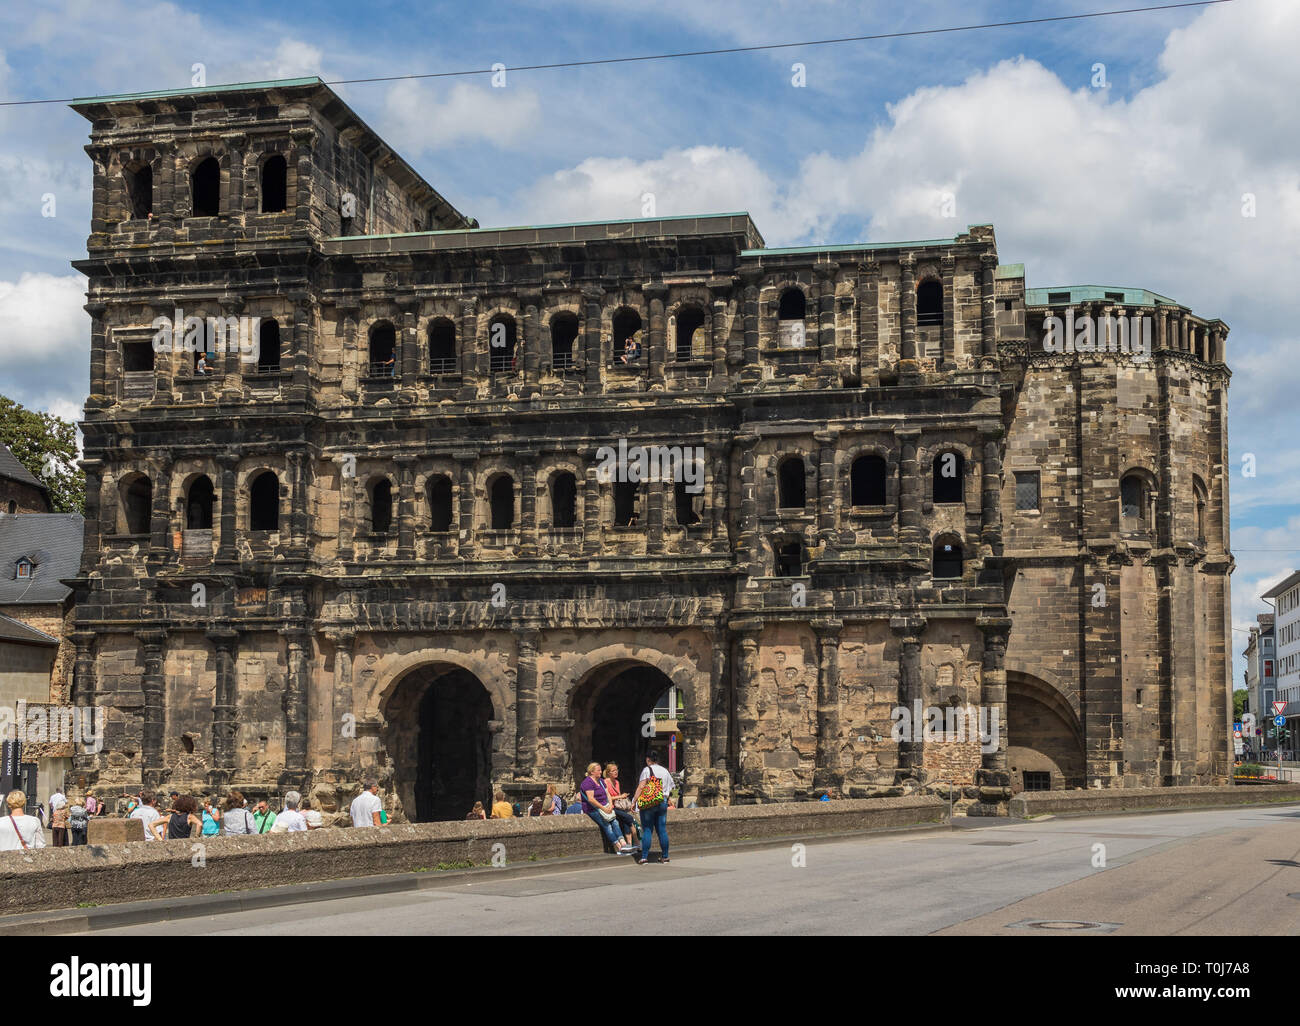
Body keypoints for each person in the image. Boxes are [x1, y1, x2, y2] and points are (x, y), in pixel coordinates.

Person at [580, 762, 634, 854]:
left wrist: (609, 805)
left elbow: (607, 793)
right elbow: (591, 799)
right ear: (592, 772)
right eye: (598, 770)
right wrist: (603, 808)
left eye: (600, 770)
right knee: (607, 825)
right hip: (594, 809)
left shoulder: (600, 780)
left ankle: (624, 844)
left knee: (615, 822)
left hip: (605, 806)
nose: (601, 772)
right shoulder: (587, 782)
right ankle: (619, 847)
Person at [632, 750, 674, 865]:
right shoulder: (665, 771)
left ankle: (644, 857)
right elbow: (670, 787)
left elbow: (641, 787)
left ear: (648, 759)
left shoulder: (647, 770)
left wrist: (634, 801)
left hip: (649, 803)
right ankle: (665, 856)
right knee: (661, 830)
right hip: (662, 802)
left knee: (647, 830)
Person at [604, 762, 637, 848]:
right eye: (613, 770)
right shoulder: (605, 782)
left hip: (618, 807)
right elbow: (607, 797)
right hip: (611, 807)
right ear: (608, 773)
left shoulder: (617, 782)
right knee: (629, 818)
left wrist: (623, 797)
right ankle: (637, 842)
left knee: (626, 822)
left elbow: (618, 797)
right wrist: (621, 796)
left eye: (616, 770)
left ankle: (629, 844)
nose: (616, 772)